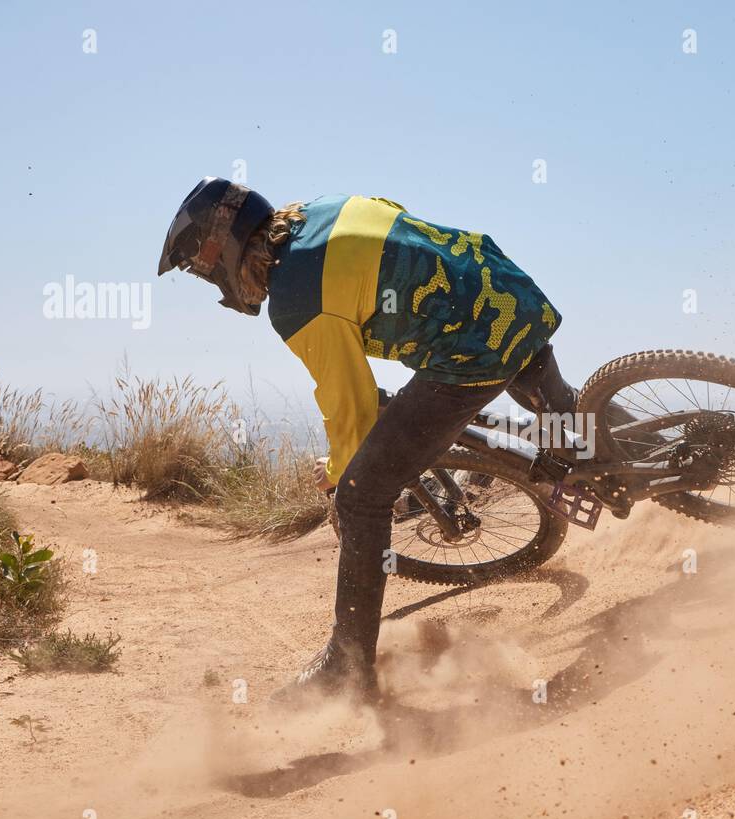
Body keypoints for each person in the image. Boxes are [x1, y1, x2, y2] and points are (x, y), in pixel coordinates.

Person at [158, 177, 579, 705]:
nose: (209, 280)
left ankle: (348, 665)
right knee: (562, 411)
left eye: (202, 267)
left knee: (362, 495)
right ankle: (642, 462)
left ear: (224, 250)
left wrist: (337, 473)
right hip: (504, 289)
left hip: (470, 349)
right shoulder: (321, 210)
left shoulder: (296, 301)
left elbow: (349, 405)